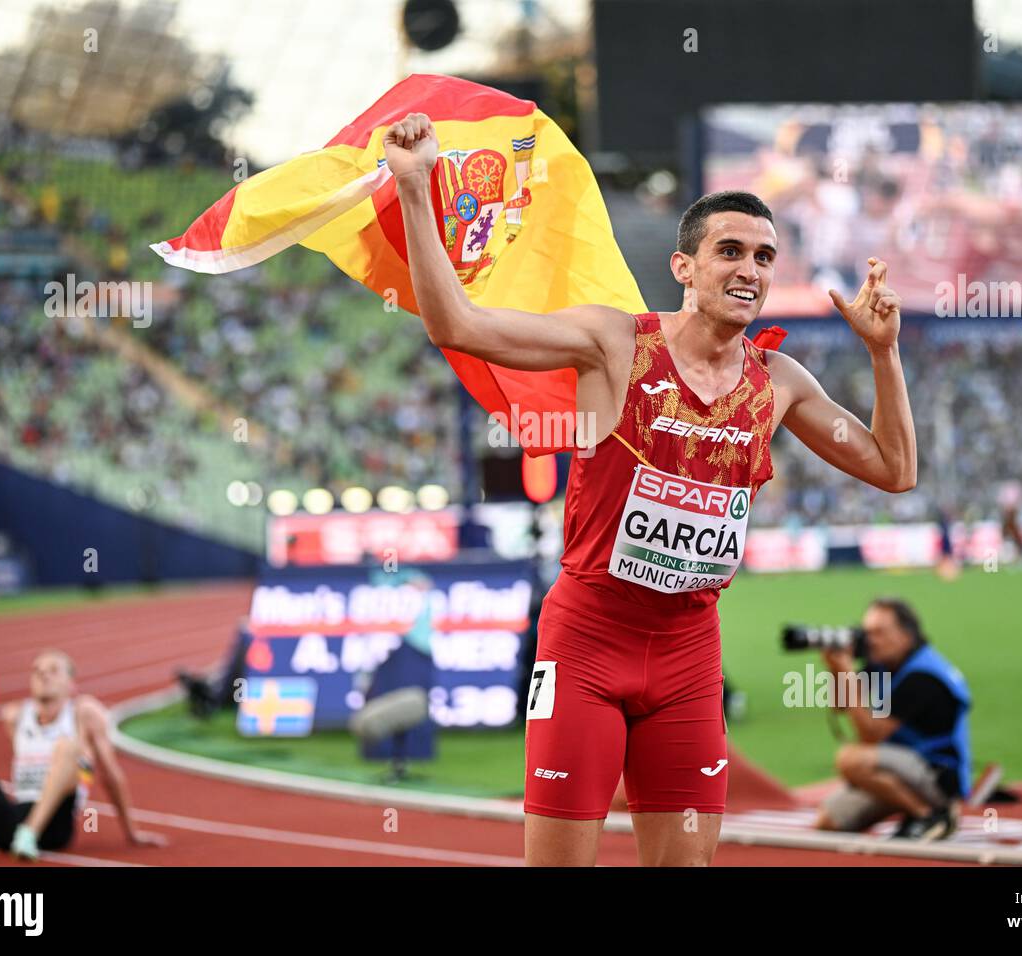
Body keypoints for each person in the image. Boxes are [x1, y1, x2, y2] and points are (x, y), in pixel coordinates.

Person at [383, 113, 917, 866]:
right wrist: (414, 187)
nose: (749, 270)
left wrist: (884, 354)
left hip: (689, 656)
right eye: (728, 251)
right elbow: (458, 324)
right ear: (684, 267)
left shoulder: (780, 383)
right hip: (587, 646)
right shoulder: (614, 343)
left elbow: (894, 471)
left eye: (764, 256)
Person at [0, 649, 165, 862]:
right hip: (13, 821)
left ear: (71, 684)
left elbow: (110, 775)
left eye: (53, 671)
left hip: (56, 824)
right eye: (37, 671)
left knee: (67, 747)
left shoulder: (84, 713)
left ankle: (31, 832)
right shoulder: (16, 716)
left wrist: (132, 832)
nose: (43, 676)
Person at [814, 599, 971, 840]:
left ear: (906, 636)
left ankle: (929, 814)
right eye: (866, 633)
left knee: (850, 759)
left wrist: (847, 671)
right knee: (829, 822)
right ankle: (912, 808)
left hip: (938, 774)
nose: (870, 641)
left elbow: (869, 734)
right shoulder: (884, 665)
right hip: (899, 768)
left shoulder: (923, 676)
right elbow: (839, 707)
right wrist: (836, 670)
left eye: (879, 633)